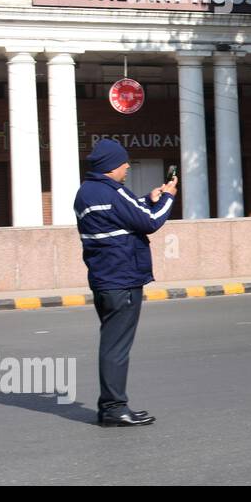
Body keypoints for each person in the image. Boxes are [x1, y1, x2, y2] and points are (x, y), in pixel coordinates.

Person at [73, 139, 177, 427]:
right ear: (111, 166)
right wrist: (168, 196)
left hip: (104, 279)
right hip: (123, 280)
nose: (128, 166)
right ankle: (114, 408)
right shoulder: (112, 191)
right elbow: (151, 222)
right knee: (116, 347)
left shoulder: (86, 193)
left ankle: (111, 406)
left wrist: (146, 199)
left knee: (112, 343)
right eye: (124, 162)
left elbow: (120, 218)